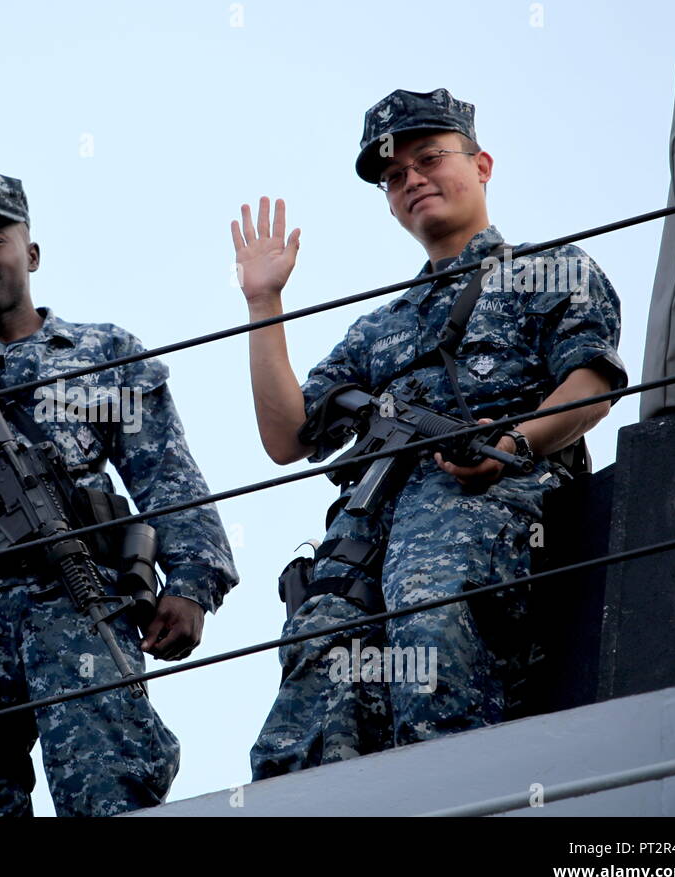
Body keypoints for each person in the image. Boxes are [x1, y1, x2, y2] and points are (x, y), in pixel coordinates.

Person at [233, 89, 628, 779]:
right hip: (362, 544)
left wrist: (511, 445)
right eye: (394, 177)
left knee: (434, 657)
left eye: (429, 158)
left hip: (485, 520)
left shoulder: (550, 270)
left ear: (482, 165)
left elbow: (592, 383)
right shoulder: (381, 325)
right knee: (315, 681)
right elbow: (289, 436)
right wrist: (264, 304)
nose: (411, 179)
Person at [0, 166, 238, 816]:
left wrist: (191, 585)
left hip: (78, 602)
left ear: (30, 253)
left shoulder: (102, 350)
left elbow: (167, 473)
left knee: (107, 784)